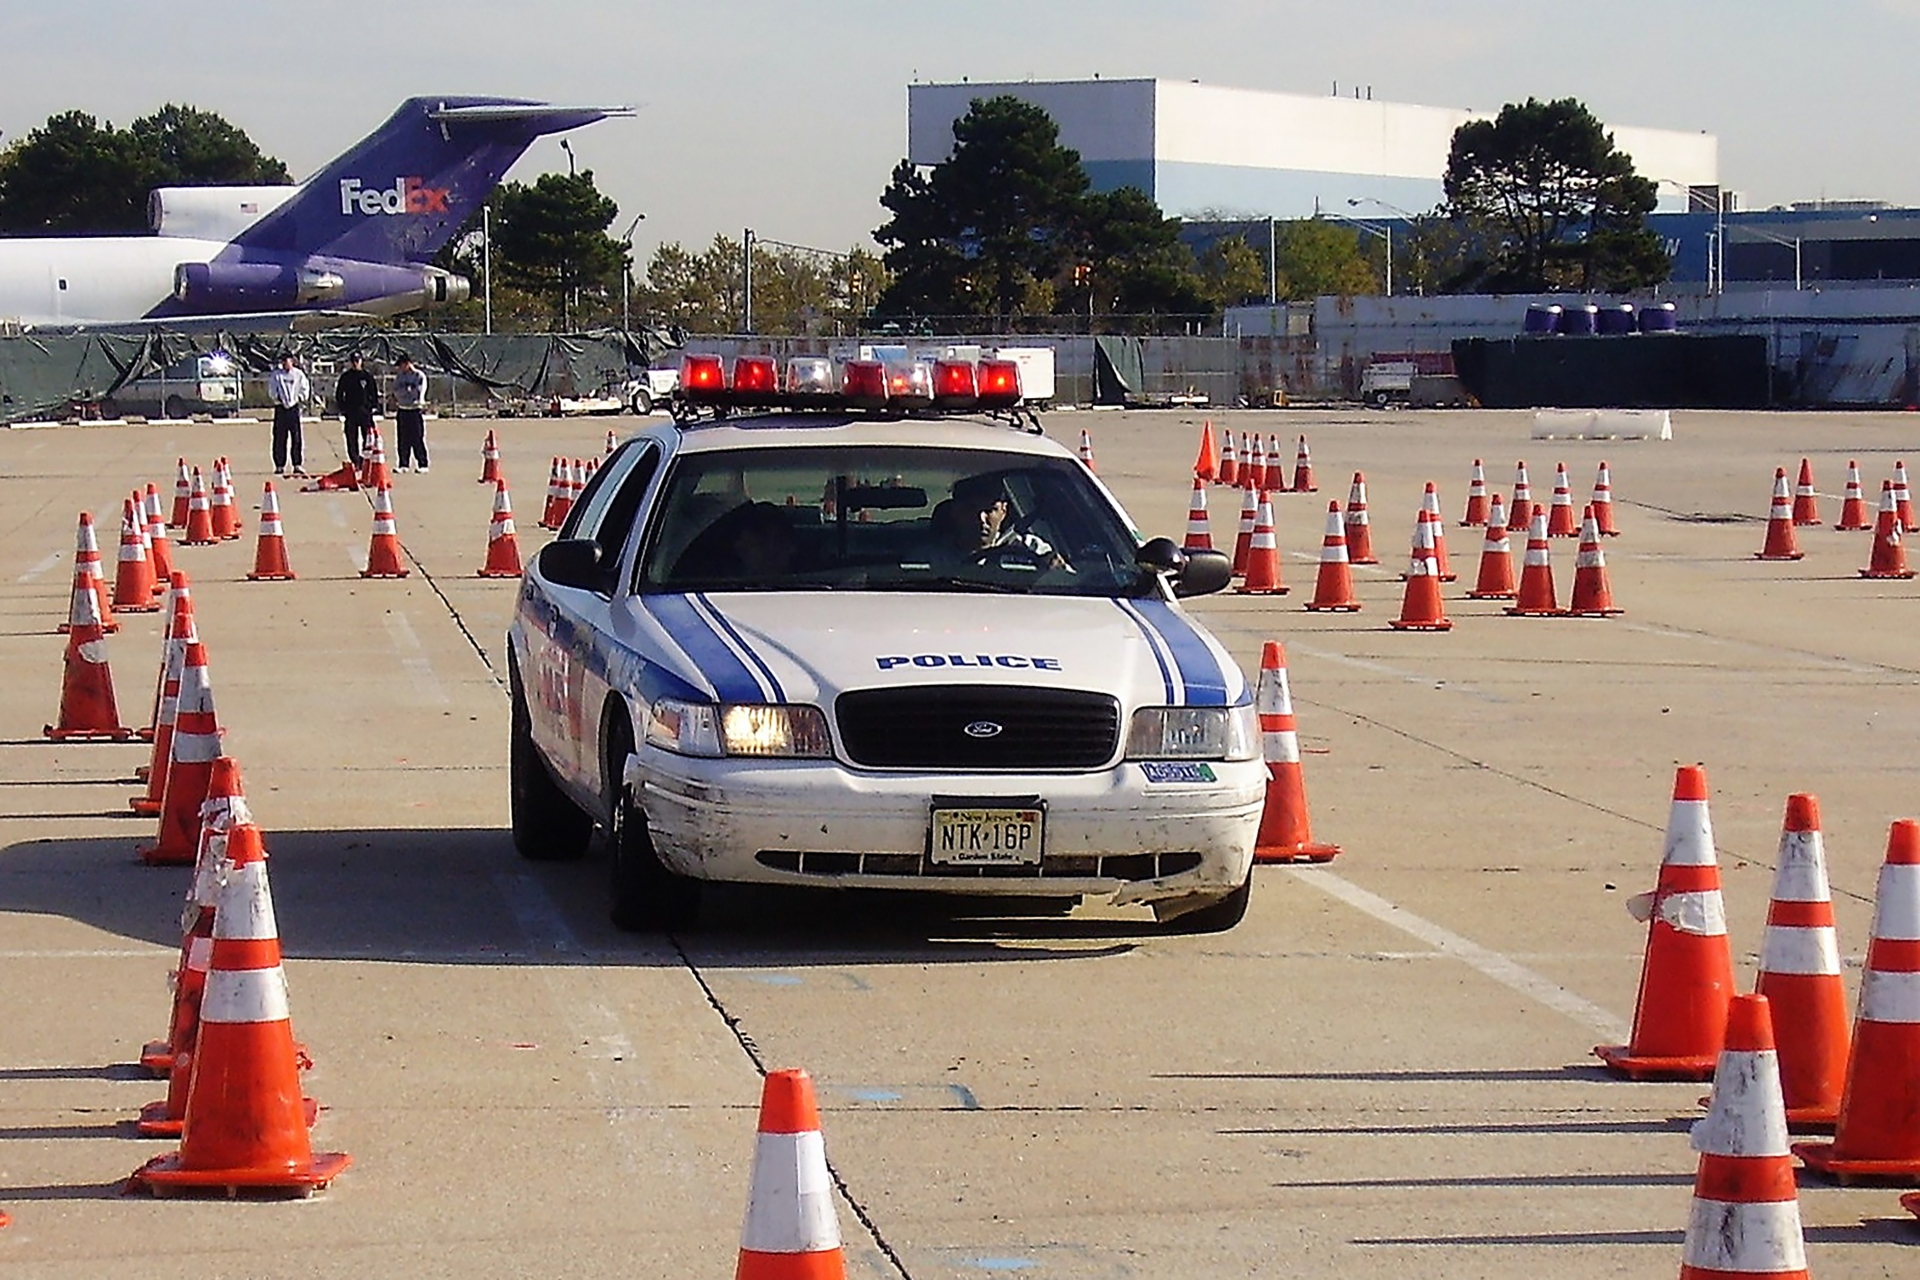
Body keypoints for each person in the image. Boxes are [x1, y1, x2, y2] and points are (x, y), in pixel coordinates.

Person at [936, 473, 1066, 569]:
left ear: (1004, 511)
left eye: (990, 510)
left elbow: (1071, 581)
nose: (981, 519)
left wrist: (1055, 569)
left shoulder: (1031, 548)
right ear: (955, 512)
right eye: (970, 509)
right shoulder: (929, 558)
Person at [266, 352, 311, 477]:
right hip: (281, 409)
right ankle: (279, 465)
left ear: (292, 361)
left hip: (294, 409)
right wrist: (278, 399)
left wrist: (299, 398)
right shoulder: (276, 375)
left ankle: (297, 464)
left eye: (287, 360)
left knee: (296, 437)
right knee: (280, 437)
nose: (285, 363)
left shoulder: (298, 374)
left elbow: (304, 389)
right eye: (283, 361)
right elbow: (272, 391)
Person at [334, 353, 379, 467]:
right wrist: (343, 408)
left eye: (357, 360)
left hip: (365, 413)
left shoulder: (367, 376)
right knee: (351, 438)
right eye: (353, 361)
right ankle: (356, 460)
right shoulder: (346, 377)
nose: (355, 363)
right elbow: (339, 394)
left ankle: (366, 460)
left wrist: (372, 406)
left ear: (361, 361)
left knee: (368, 438)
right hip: (351, 413)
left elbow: (373, 393)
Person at [392, 353, 428, 472]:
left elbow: (417, 393)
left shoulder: (419, 376)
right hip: (402, 410)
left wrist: (407, 392)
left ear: (407, 363)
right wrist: (406, 391)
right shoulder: (399, 377)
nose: (400, 368)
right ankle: (403, 464)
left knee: (417, 438)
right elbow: (396, 392)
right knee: (402, 439)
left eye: (402, 365)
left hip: (415, 410)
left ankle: (423, 464)